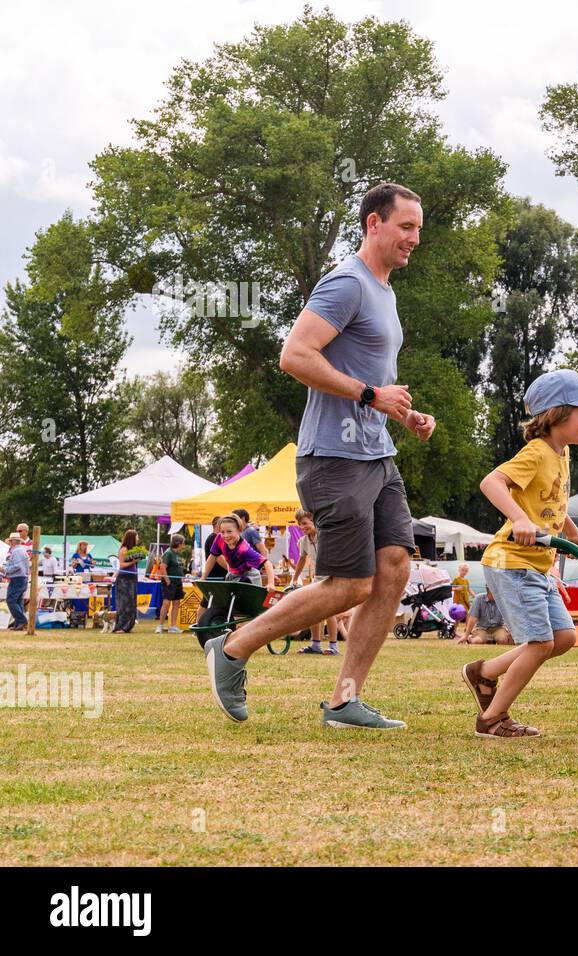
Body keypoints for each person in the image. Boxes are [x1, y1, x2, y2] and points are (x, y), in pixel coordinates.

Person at [203, 182, 436, 729]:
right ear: (373, 224)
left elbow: (371, 380)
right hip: (333, 459)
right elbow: (294, 355)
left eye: (419, 229)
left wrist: (401, 412)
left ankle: (343, 700)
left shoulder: (385, 290)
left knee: (395, 567)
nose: (415, 239)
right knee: (350, 583)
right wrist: (369, 395)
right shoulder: (346, 283)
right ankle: (233, 647)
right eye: (406, 227)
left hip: (377, 455)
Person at [462, 368, 578, 739]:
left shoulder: (561, 455)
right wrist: (518, 519)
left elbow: (555, 504)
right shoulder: (536, 452)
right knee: (540, 643)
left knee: (563, 638)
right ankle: (492, 719)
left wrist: (575, 537)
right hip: (511, 562)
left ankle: (483, 672)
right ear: (556, 414)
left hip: (537, 567)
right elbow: (491, 482)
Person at [290, 509, 340, 656]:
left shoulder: (325, 535)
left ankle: (333, 646)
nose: (302, 527)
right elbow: (302, 559)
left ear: (314, 521)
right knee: (313, 610)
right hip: (318, 579)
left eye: (305, 523)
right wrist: (294, 578)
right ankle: (315, 645)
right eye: (300, 524)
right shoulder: (304, 541)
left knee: (329, 611)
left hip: (332, 577)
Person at [202, 516, 272, 587]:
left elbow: (267, 563)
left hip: (249, 577)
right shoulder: (219, 538)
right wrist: (202, 579)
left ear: (239, 531)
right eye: (222, 532)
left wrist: (271, 583)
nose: (226, 535)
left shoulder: (243, 549)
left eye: (229, 531)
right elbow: (212, 558)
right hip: (233, 575)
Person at [112, 529, 144, 634]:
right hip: (124, 579)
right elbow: (122, 565)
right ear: (131, 538)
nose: (138, 538)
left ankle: (128, 625)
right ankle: (120, 626)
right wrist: (134, 561)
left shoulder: (133, 550)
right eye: (136, 536)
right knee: (124, 603)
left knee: (131, 602)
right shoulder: (123, 549)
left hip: (133, 578)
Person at [154, 534, 187, 634]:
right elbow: (162, 567)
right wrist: (167, 580)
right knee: (166, 603)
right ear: (178, 543)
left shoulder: (177, 554)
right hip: (169, 582)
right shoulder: (168, 553)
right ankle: (160, 625)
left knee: (176, 603)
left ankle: (173, 626)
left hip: (178, 582)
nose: (184, 545)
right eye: (183, 543)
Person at [4, 533, 29, 630]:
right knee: (18, 601)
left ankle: (22, 620)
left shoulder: (17, 551)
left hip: (17, 578)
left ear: (14, 541)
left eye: (11, 541)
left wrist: (5, 570)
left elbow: (17, 566)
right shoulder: (22, 550)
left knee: (11, 600)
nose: (10, 543)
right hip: (21, 578)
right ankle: (19, 623)